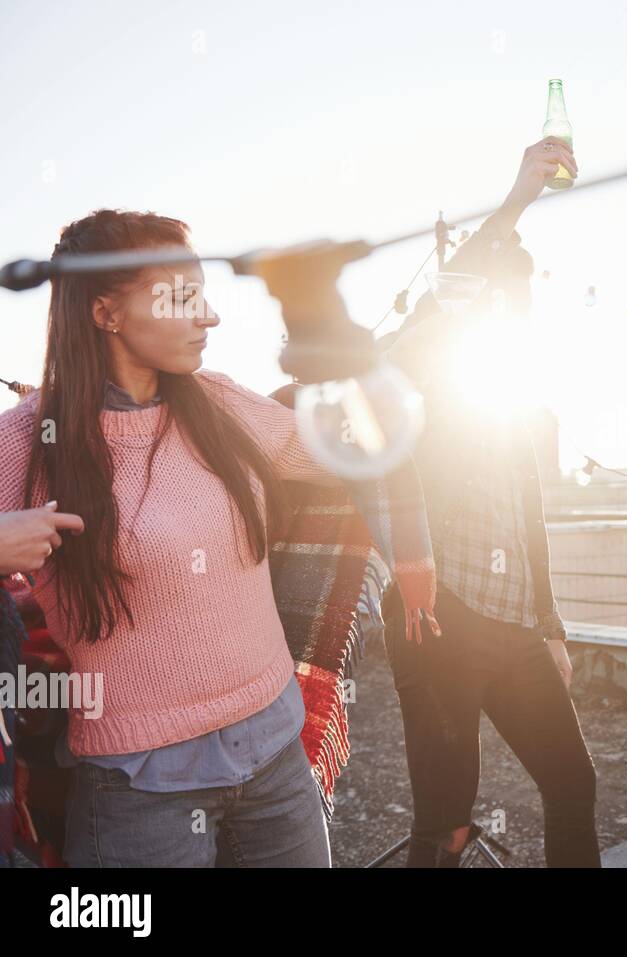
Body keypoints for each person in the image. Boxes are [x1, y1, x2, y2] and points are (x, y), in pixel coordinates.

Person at [0, 209, 435, 867]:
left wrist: (324, 324)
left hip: (275, 755)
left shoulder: (222, 405)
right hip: (138, 786)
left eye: (206, 293)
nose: (210, 316)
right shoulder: (28, 442)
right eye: (182, 295)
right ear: (105, 311)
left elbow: (371, 443)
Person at [378, 137, 602, 868]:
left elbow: (527, 512)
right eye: (504, 294)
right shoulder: (420, 370)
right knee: (446, 816)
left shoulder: (510, 389)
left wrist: (552, 623)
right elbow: (448, 295)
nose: (515, 308)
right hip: (441, 616)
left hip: (514, 628)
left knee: (574, 780)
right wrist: (515, 203)